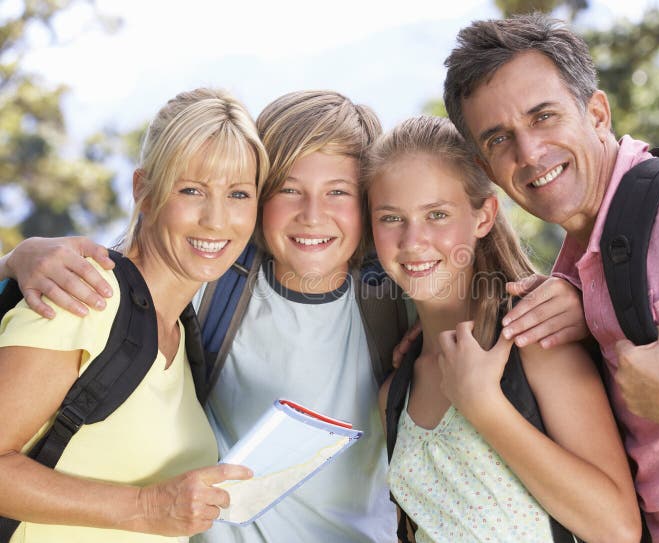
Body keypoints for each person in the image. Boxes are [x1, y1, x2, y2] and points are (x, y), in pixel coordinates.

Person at [0, 90, 589, 543]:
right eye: (287, 189)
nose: (312, 215)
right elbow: (138, 258)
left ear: (369, 208)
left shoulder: (394, 294)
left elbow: (473, 280)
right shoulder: (212, 284)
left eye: (339, 193)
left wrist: (574, 298)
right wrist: (17, 259)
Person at [442, 12, 659, 542]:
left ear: (597, 113)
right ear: (484, 166)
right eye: (498, 139)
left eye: (544, 116)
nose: (529, 153)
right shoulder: (577, 273)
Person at [0, 87, 267, 542]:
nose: (217, 219)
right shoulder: (84, 295)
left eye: (239, 193)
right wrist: (147, 508)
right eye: (191, 190)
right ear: (143, 189)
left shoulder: (183, 336)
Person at [365, 115, 640, 543]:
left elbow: (617, 528)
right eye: (390, 218)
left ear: (483, 216)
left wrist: (483, 404)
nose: (413, 240)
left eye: (437, 214)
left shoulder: (535, 338)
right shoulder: (395, 393)